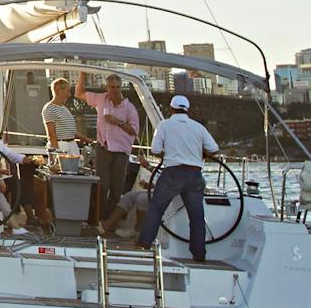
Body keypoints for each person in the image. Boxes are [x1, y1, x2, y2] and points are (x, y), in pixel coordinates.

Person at [138, 94, 220, 261]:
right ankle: (199, 254)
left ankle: (144, 244)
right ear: (187, 109)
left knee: (156, 208)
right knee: (196, 216)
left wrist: (168, 153)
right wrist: (199, 154)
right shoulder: (198, 127)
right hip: (195, 175)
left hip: (172, 173)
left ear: (171, 108)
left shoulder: (164, 125)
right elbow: (214, 149)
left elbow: (155, 150)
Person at [82, 72, 141, 224]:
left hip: (121, 152)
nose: (115, 90)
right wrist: (82, 74)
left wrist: (118, 122)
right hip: (104, 148)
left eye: (118, 87)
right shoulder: (101, 99)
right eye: (112, 87)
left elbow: (135, 131)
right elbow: (79, 93)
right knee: (102, 186)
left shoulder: (129, 108)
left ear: (121, 88)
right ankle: (98, 219)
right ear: (106, 88)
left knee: (116, 189)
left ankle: (110, 222)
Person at [0, 114, 39, 232]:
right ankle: (11, 220)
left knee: (20, 184)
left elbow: (11, 155)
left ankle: (29, 216)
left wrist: (26, 159)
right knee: (5, 188)